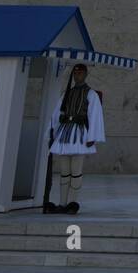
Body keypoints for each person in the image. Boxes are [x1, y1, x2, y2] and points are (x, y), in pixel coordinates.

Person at [45, 63, 105, 215]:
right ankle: (62, 203)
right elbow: (57, 114)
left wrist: (92, 137)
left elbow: (95, 115)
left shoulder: (91, 94)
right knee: (64, 171)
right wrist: (51, 133)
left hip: (79, 135)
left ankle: (73, 202)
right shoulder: (67, 93)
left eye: (80, 73)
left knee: (76, 171)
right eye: (75, 73)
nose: (77, 76)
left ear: (85, 74)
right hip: (65, 134)